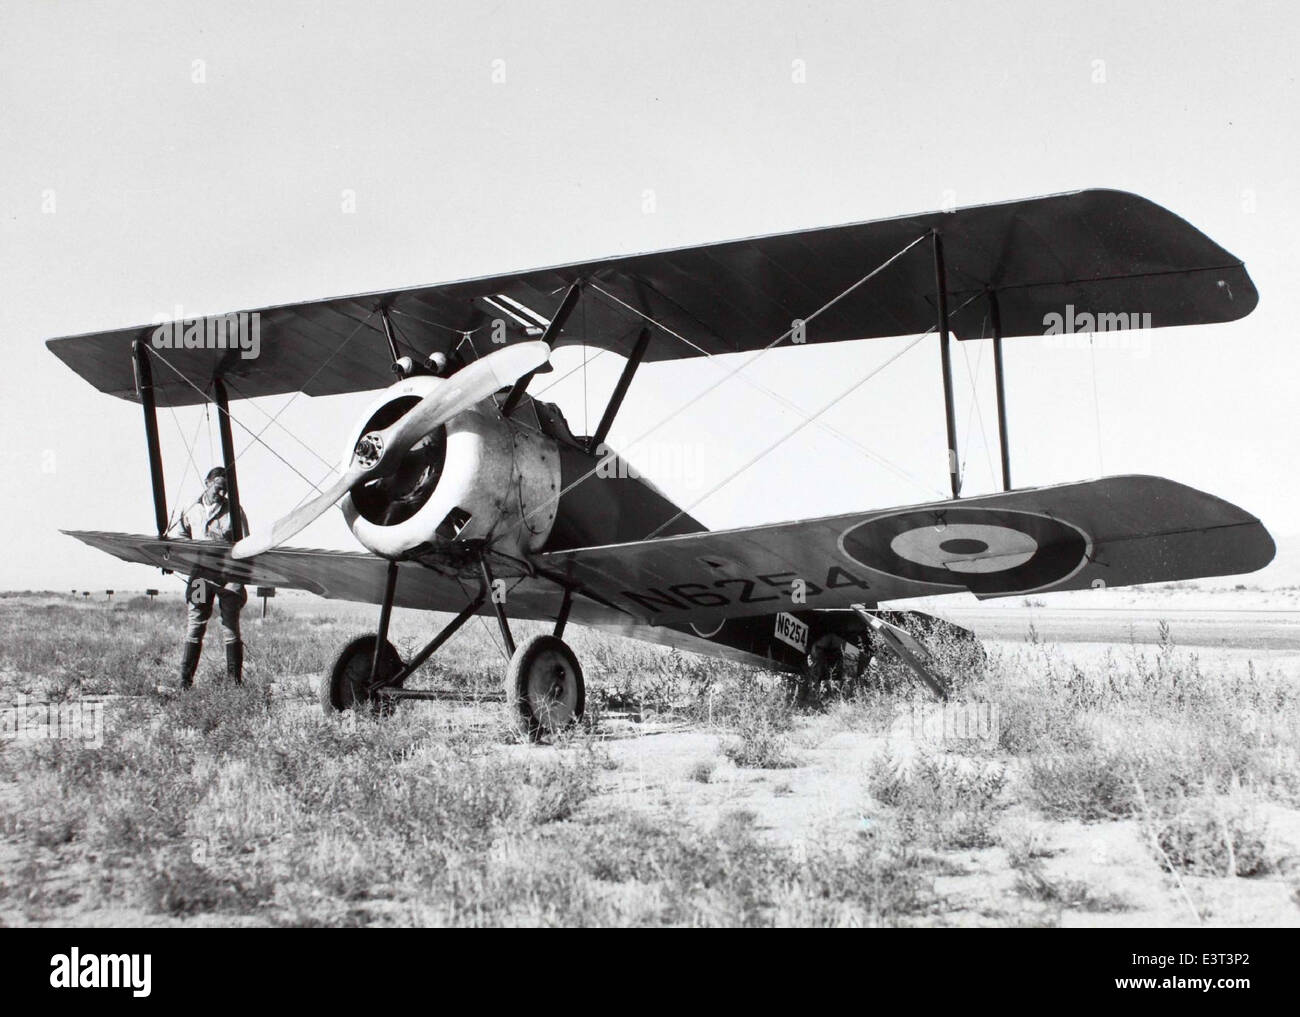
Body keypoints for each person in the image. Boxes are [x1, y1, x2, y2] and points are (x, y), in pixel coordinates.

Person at [168, 467, 251, 687]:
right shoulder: (191, 508)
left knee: (230, 627)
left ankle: (234, 683)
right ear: (207, 482)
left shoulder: (235, 511)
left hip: (228, 574)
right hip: (200, 575)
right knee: (195, 623)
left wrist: (239, 580)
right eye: (218, 487)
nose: (221, 493)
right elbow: (180, 537)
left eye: (225, 490)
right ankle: (185, 682)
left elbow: (246, 545)